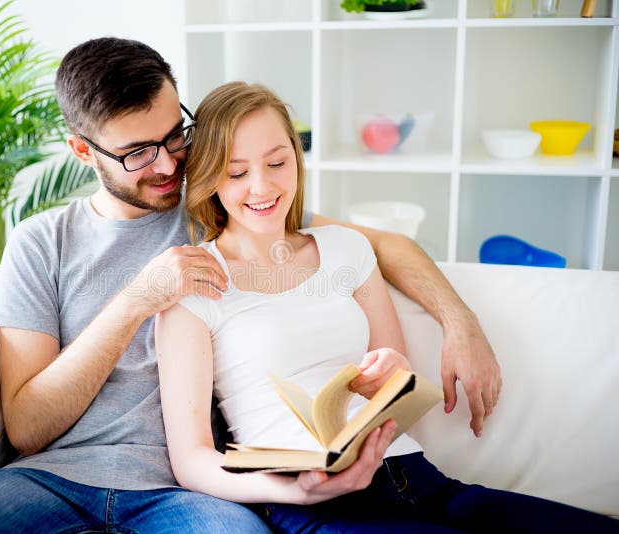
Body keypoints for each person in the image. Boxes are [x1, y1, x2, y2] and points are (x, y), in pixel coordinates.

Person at [0, 37, 498, 532]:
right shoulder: (43, 243)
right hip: (53, 478)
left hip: (185, 495)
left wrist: (460, 323)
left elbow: (380, 246)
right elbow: (28, 425)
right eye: (139, 153)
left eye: (176, 132)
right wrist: (138, 301)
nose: (171, 163)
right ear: (82, 150)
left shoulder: (218, 204)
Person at [155, 80, 619, 533]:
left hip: (415, 477)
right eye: (237, 172)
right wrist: (299, 494)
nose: (262, 186)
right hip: (314, 506)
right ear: (211, 177)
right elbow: (193, 461)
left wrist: (394, 373)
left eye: (277, 162)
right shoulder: (192, 283)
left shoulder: (346, 249)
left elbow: (399, 380)